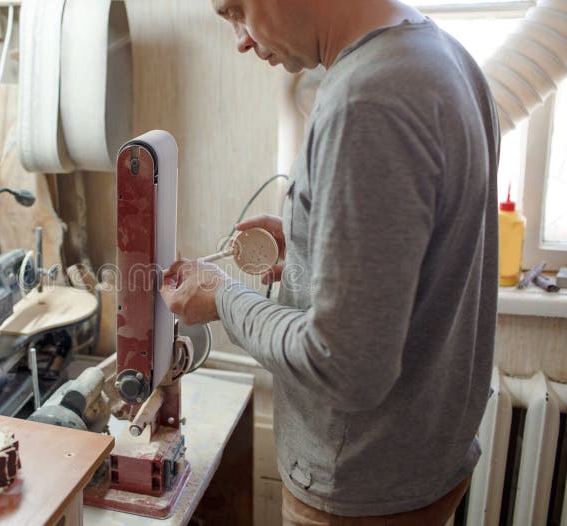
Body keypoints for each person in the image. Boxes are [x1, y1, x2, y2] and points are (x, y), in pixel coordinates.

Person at [160, 1, 500, 524]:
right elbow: (420, 252)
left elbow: (343, 366)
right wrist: (312, 242)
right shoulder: (442, 55)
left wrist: (224, 299)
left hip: (360, 486)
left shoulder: (367, 100)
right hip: (427, 455)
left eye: (236, 11)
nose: (240, 40)